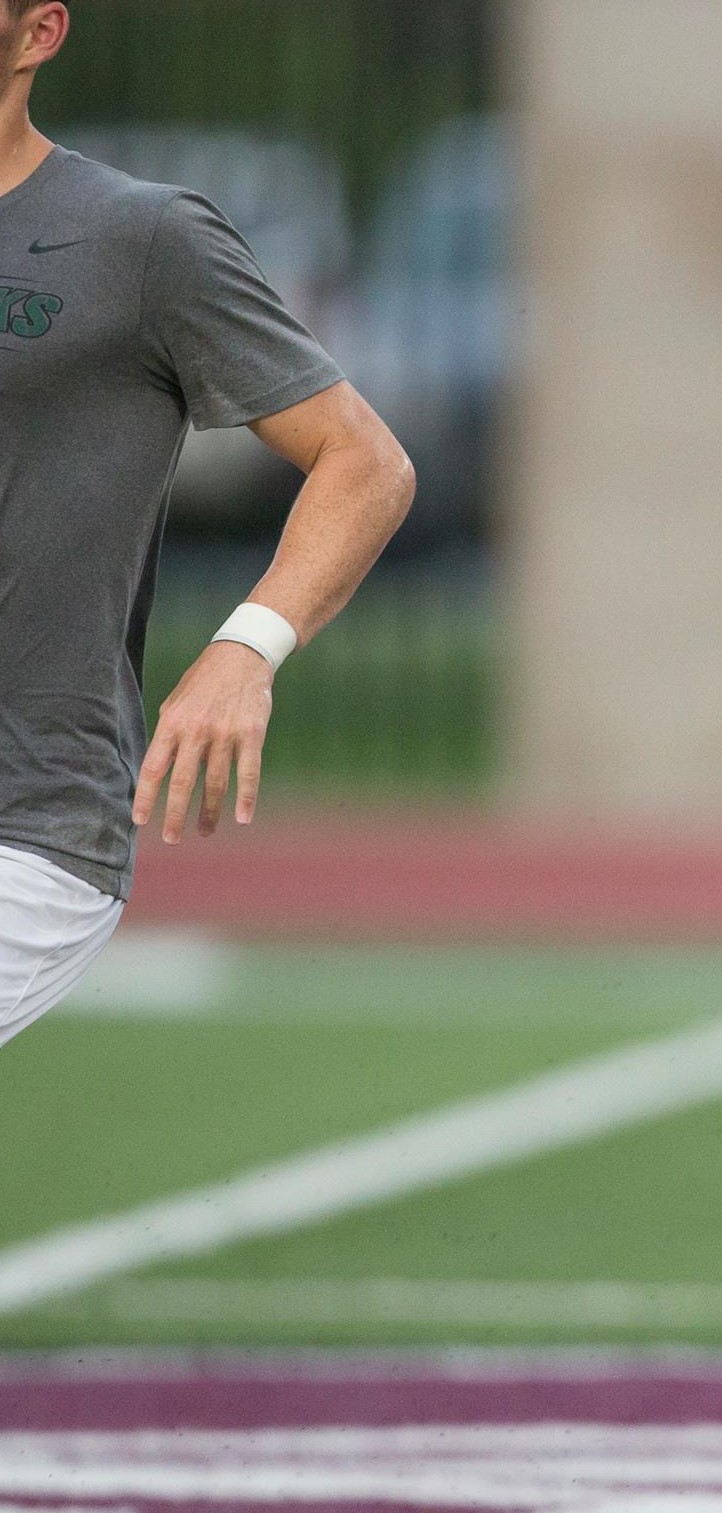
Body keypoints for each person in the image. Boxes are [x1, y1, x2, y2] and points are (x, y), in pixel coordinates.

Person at [0, 0, 414, 1047]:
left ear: (39, 33)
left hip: (28, 817)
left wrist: (248, 648)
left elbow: (364, 462)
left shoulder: (141, 239)